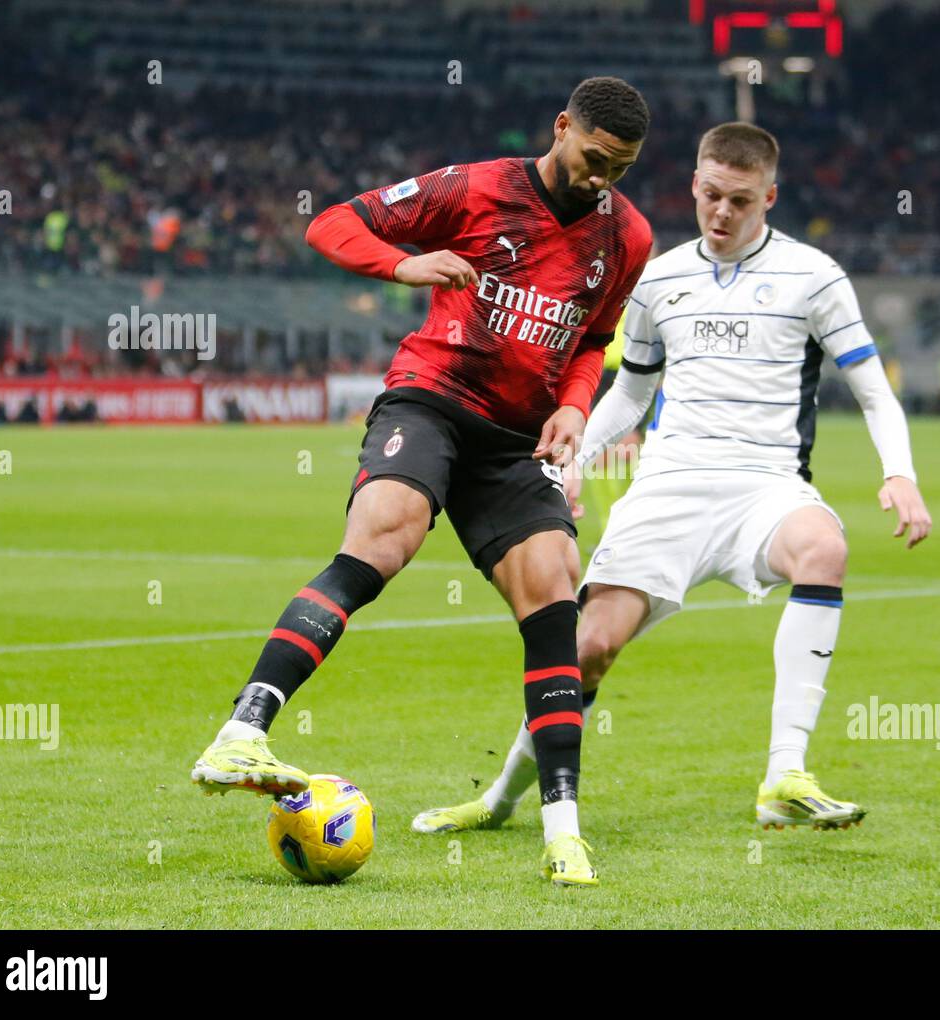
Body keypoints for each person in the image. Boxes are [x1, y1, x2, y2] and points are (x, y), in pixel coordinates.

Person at [190, 77, 654, 887]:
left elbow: (595, 339)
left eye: (618, 168)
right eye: (591, 158)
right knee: (386, 534)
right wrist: (403, 263)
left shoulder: (630, 238)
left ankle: (563, 829)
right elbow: (332, 225)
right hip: (434, 399)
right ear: (561, 128)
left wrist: (577, 408)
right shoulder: (474, 188)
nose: (600, 179)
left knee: (554, 588)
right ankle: (243, 730)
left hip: (515, 441)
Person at [413, 122, 932, 845]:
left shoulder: (815, 277)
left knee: (824, 549)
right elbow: (630, 394)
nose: (721, 213)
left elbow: (873, 390)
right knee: (588, 646)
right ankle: (499, 799)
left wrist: (899, 476)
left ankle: (786, 776)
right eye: (711, 195)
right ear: (693, 184)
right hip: (667, 488)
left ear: (770, 197)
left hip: (766, 487)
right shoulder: (658, 277)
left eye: (740, 201)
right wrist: (573, 457)